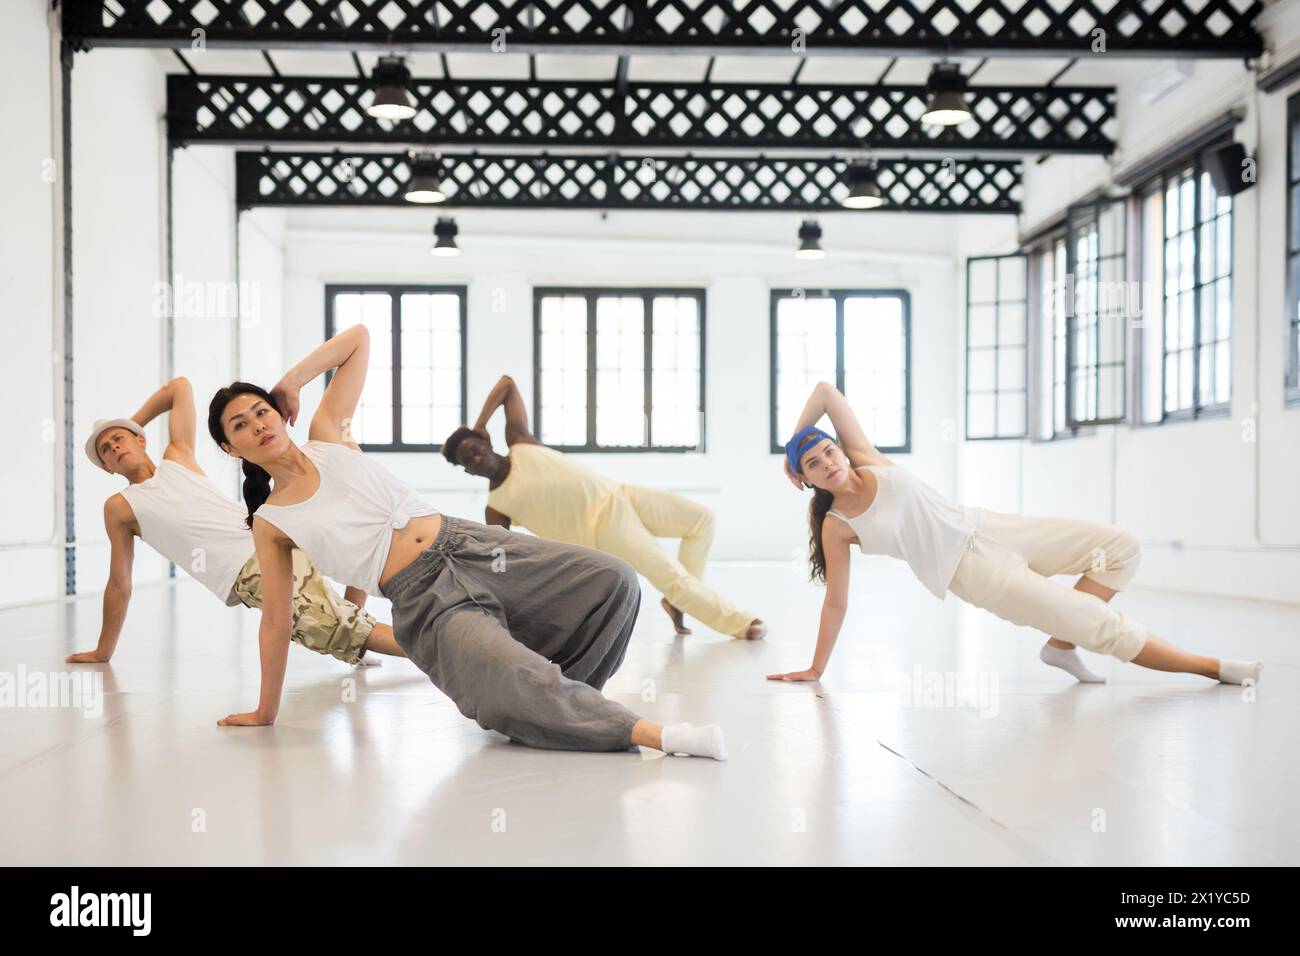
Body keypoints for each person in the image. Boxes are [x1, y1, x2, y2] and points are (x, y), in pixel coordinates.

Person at [206, 325, 726, 760]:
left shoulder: (327, 432)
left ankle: (556, 703)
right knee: (508, 670)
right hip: (423, 598)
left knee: (614, 579)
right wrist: (265, 711)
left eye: (261, 410)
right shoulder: (272, 521)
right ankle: (659, 735)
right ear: (232, 448)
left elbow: (360, 339)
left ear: (277, 411)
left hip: (469, 543)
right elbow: (276, 621)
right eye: (241, 425)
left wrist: (293, 380)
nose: (257, 424)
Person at [767, 381, 1263, 687]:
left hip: (990, 526)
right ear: (806, 479)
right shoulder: (838, 527)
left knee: (1120, 549)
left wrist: (793, 442)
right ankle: (1214, 667)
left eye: (826, 452)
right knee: (1103, 625)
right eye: (811, 464)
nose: (826, 463)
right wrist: (816, 667)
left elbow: (826, 392)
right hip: (976, 573)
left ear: (839, 449)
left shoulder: (867, 457)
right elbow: (836, 601)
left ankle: (1060, 646)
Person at [69, 376, 401, 668]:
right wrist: (103, 650)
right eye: (106, 450)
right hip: (248, 569)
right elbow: (119, 583)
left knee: (339, 621)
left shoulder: (177, 457)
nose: (114, 447)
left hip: (277, 537)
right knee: (333, 625)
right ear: (107, 468)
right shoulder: (120, 507)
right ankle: (359, 638)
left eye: (119, 439)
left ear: (140, 440)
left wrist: (131, 423)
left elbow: (179, 387)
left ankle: (419, 643)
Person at [441, 374, 765, 640]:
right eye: (466, 460)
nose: (474, 458)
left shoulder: (520, 441)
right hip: (604, 529)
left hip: (620, 493)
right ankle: (740, 623)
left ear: (485, 441)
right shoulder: (496, 507)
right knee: (672, 575)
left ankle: (678, 601)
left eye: (473, 448)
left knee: (702, 519)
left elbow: (507, 384)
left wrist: (479, 423)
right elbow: (505, 556)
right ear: (467, 471)